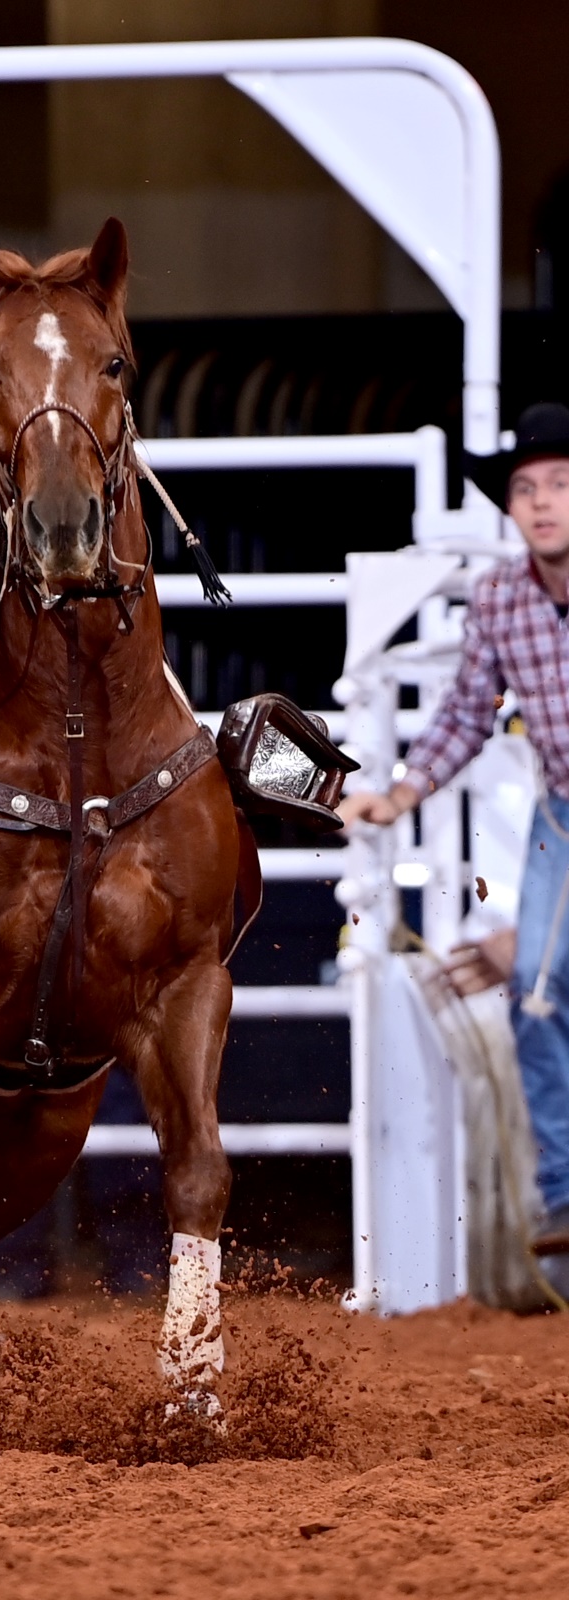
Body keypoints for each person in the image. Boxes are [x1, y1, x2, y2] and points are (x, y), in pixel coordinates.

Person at [339, 401, 569, 1255]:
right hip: (561, 814)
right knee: (536, 994)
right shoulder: (503, 598)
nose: (541, 504)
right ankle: (563, 1194)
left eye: (559, 485)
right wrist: (401, 792)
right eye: (526, 490)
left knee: (544, 974)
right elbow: (469, 711)